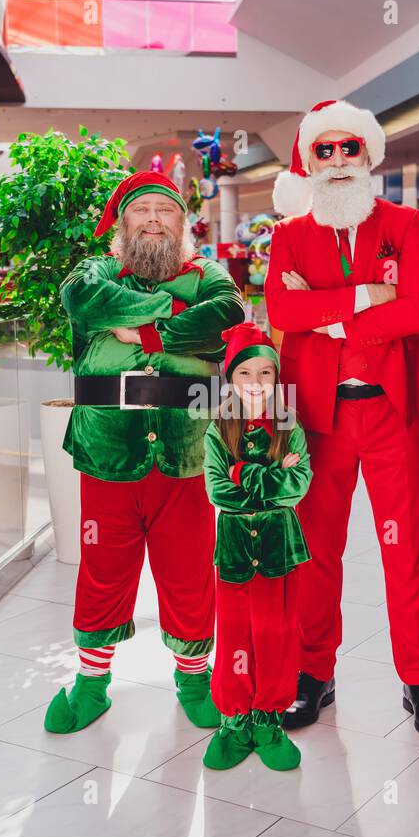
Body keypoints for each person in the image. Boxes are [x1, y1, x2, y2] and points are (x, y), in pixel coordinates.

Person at [265, 99, 419, 737]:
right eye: (326, 149)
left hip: (392, 413)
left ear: (369, 156)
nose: (340, 160)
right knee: (317, 553)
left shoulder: (401, 222)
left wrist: (326, 313)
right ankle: (314, 675)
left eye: (351, 148)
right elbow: (282, 317)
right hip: (318, 420)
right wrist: (369, 296)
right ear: (309, 160)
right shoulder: (289, 235)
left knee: (408, 552)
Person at [43, 171, 245, 734]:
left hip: (186, 454)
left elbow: (225, 318)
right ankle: (90, 686)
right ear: (123, 223)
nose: (154, 218)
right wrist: (176, 311)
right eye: (142, 210)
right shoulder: (95, 271)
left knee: (189, 572)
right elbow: (82, 300)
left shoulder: (212, 276)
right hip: (109, 453)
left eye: (167, 210)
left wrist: (145, 332)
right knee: (103, 570)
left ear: (184, 224)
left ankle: (195, 680)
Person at [201, 323, 312, 770]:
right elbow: (216, 492)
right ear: (230, 378)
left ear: (276, 378)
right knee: (233, 636)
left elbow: (298, 486)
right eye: (245, 373)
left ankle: (268, 716)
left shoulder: (291, 427)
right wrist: (268, 475)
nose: (255, 383)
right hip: (232, 552)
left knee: (276, 633)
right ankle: (234, 717)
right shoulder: (217, 430)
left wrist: (241, 473)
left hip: (278, 551)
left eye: (265, 373)